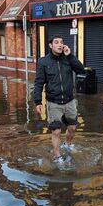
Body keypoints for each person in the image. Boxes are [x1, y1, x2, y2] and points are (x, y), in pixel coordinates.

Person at [34, 35, 87, 165]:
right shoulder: (43, 62)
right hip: (54, 102)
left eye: (61, 42)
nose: (59, 44)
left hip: (69, 101)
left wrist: (70, 56)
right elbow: (39, 83)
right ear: (50, 45)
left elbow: (82, 70)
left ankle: (67, 145)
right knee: (56, 130)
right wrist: (38, 101)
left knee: (73, 128)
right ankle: (57, 156)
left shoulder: (68, 59)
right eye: (56, 42)